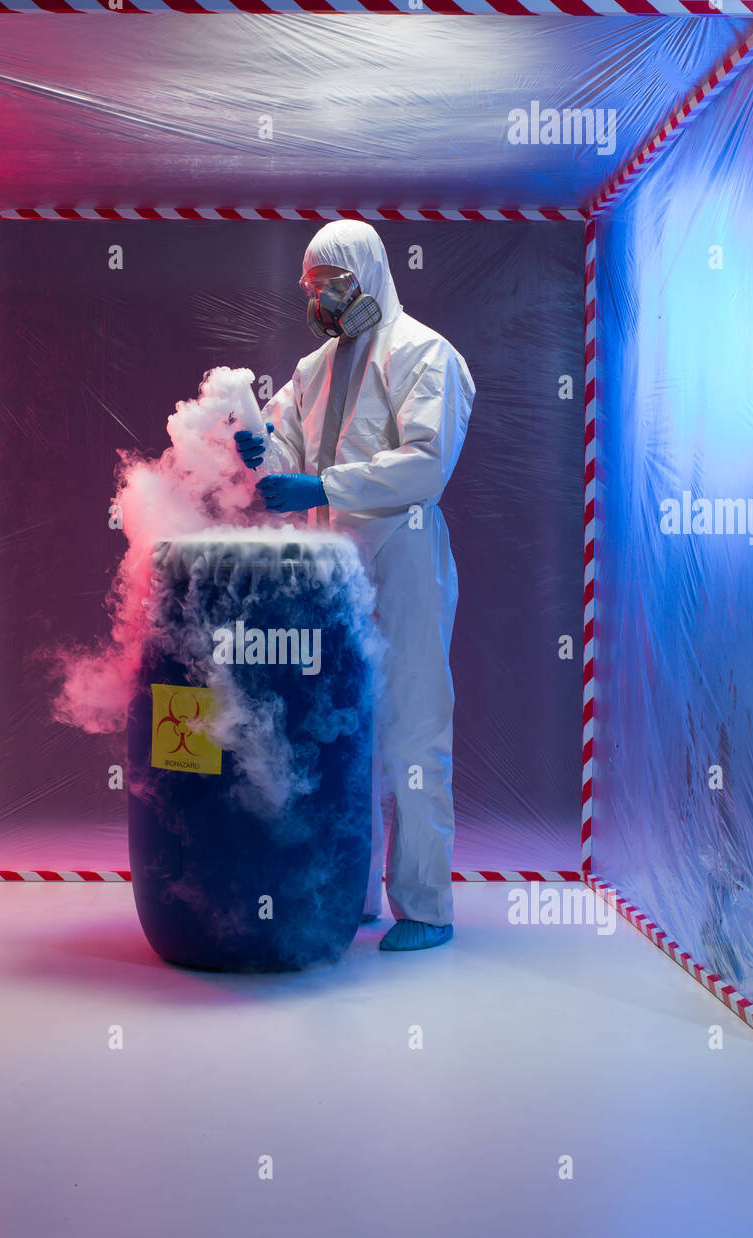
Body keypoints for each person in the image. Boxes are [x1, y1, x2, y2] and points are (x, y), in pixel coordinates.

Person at [234, 220, 476, 952]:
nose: (319, 301)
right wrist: (258, 446)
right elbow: (286, 452)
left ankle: (427, 906)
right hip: (329, 570)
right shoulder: (314, 370)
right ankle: (352, 888)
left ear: (365, 277)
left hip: (401, 565)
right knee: (336, 731)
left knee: (411, 727)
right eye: (311, 287)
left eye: (330, 285)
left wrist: (324, 483)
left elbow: (427, 464)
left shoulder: (425, 355)